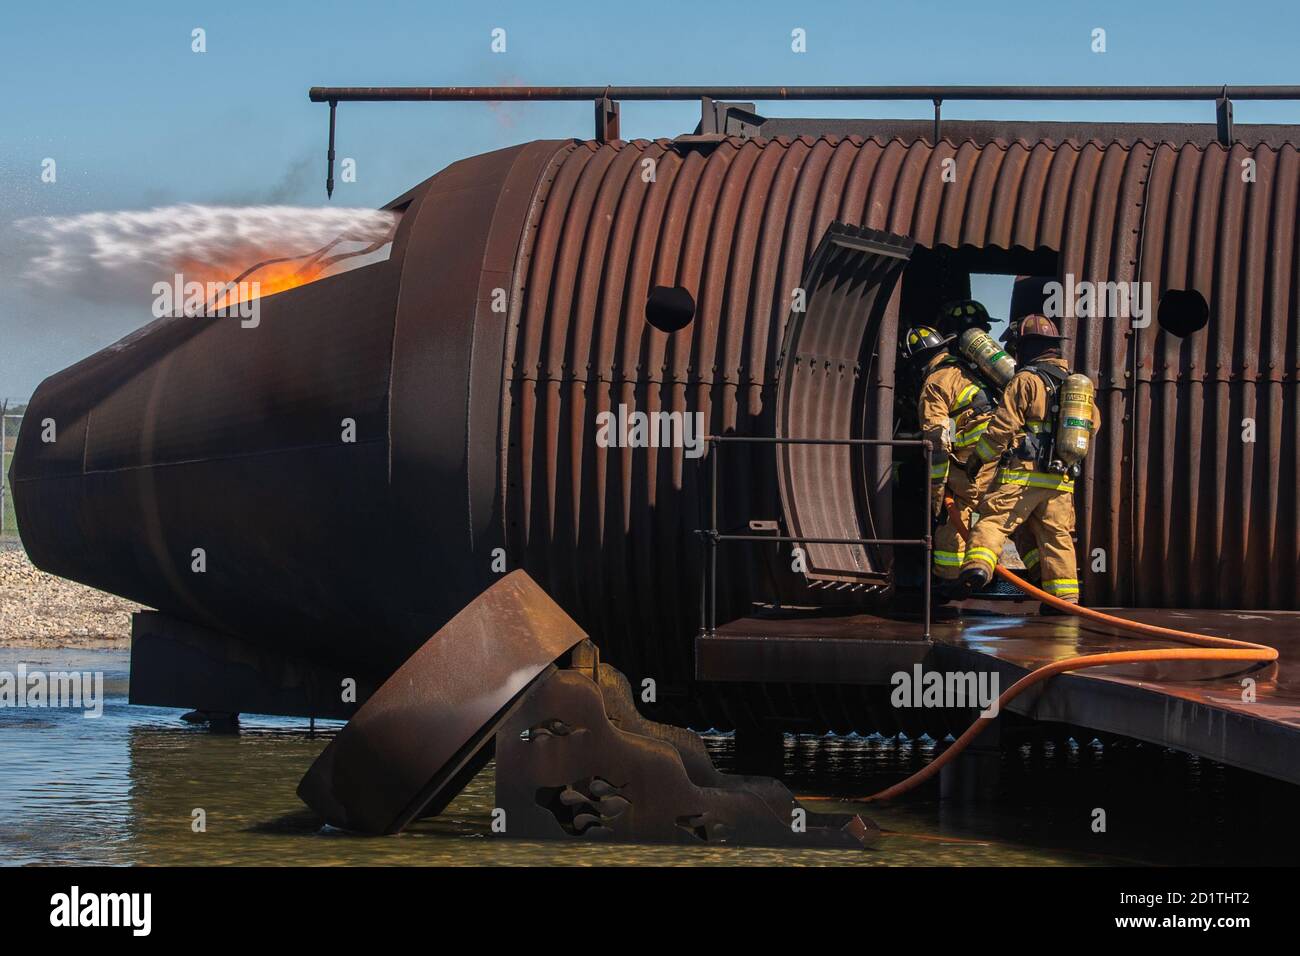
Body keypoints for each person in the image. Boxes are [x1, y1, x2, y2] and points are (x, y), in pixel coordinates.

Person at [956, 315, 1102, 605]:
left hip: (1023, 475)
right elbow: (1093, 424)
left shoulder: (1026, 380)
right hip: (1059, 478)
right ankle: (1065, 600)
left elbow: (1002, 426)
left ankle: (978, 569)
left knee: (993, 520)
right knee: (1056, 537)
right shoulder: (1074, 384)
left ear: (1027, 347)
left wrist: (978, 460)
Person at [899, 324, 1000, 586]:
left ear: (917, 363)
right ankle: (1049, 586)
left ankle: (950, 583)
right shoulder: (966, 369)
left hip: (975, 461)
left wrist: (937, 492)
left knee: (951, 519)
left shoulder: (934, 382)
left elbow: (937, 442)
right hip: (1002, 451)